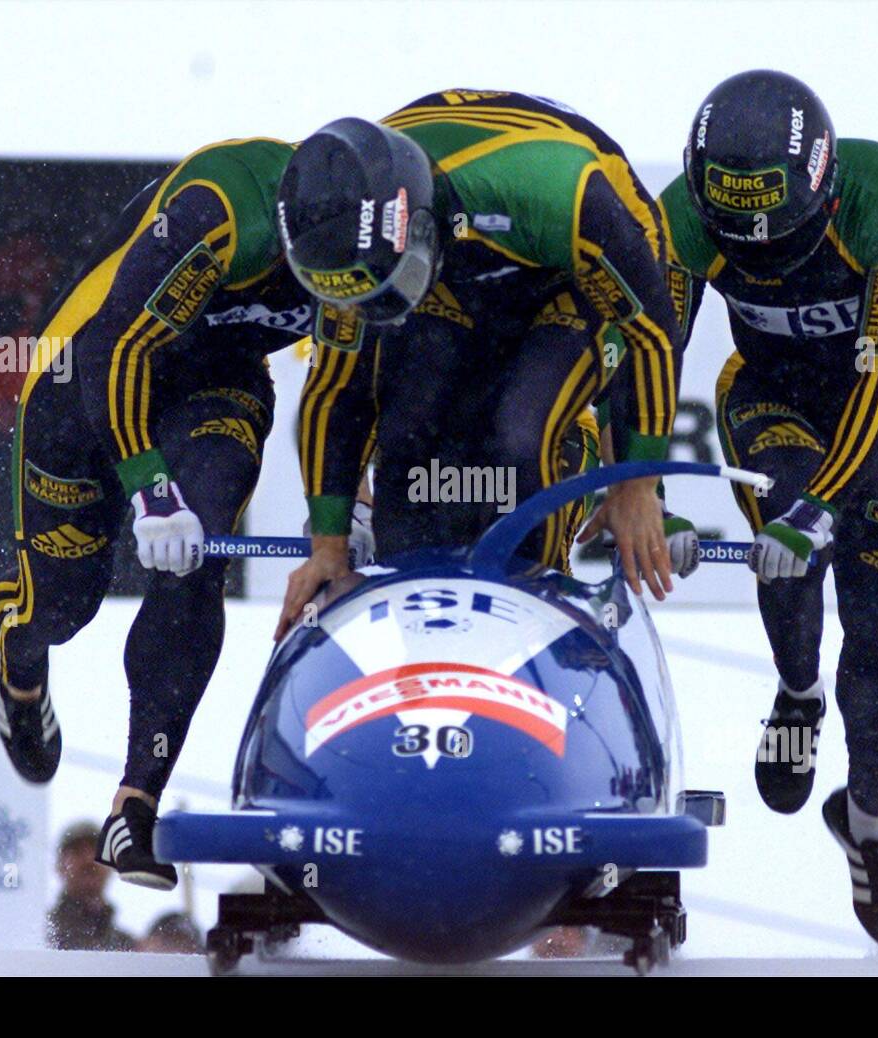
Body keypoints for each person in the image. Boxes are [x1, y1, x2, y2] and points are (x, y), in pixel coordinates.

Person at [655, 70, 878, 946]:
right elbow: (649, 354)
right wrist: (646, 490)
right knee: (786, 531)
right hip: (768, 396)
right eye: (736, 243)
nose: (759, 259)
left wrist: (825, 504)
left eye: (778, 240)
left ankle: (868, 827)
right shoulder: (676, 216)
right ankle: (795, 692)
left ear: (822, 192)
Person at [0, 136, 313, 889]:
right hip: (84, 373)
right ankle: (22, 659)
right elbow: (114, 349)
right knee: (64, 607)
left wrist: (348, 500)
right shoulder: (223, 210)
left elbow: (349, 386)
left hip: (215, 384)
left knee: (199, 557)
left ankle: (135, 802)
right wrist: (149, 488)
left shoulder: (381, 249)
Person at [273, 90, 701, 639]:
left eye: (393, 283)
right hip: (463, 268)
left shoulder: (561, 193)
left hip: (573, 270)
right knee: (410, 434)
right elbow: (337, 390)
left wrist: (638, 486)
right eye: (369, 293)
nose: (379, 307)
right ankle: (419, 633)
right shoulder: (353, 236)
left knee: (522, 431)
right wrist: (328, 548)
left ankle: (541, 615)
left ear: (420, 224)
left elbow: (653, 333)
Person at [46, 822, 135, 951]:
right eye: (77, 852)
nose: (89, 859)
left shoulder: (130, 947)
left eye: (98, 851)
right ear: (59, 866)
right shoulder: (42, 935)